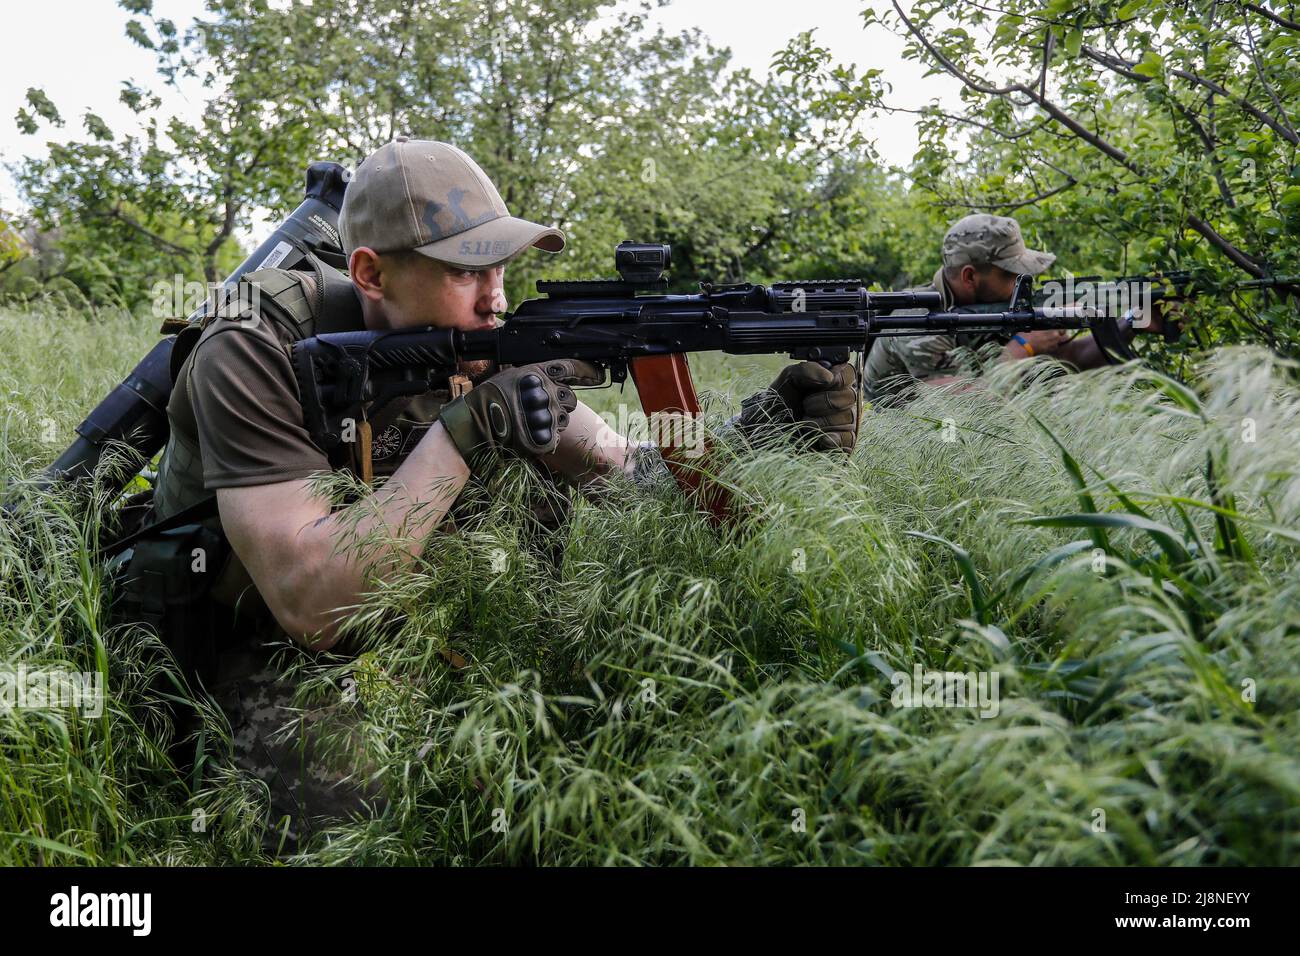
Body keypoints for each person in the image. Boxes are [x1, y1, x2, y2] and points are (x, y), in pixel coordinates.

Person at [147, 137, 858, 848]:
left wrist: (762, 438)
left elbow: (628, 478)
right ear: (371, 273)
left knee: (611, 743)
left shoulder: (479, 340)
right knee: (356, 805)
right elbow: (312, 605)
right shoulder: (255, 345)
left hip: (424, 634)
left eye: (502, 268)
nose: (496, 300)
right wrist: (462, 435)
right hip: (256, 644)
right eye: (467, 272)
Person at [862, 213, 1163, 404]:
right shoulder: (921, 323)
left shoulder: (997, 309)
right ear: (969, 277)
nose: (1024, 283)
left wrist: (1133, 322)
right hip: (904, 444)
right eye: (1010, 274)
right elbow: (959, 412)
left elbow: (1070, 359)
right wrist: (1023, 347)